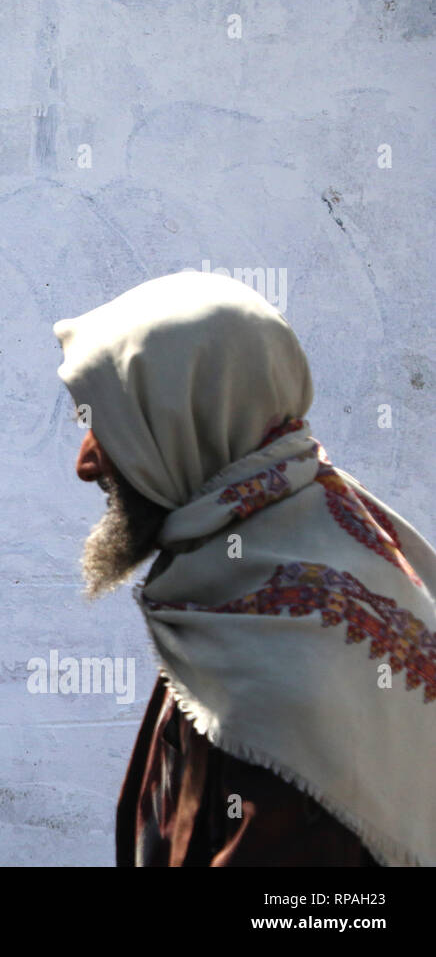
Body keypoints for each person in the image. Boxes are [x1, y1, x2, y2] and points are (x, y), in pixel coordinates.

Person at [53, 271, 436, 866]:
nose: (86, 461)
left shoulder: (285, 666)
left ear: (189, 425)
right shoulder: (244, 586)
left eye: (110, 427)